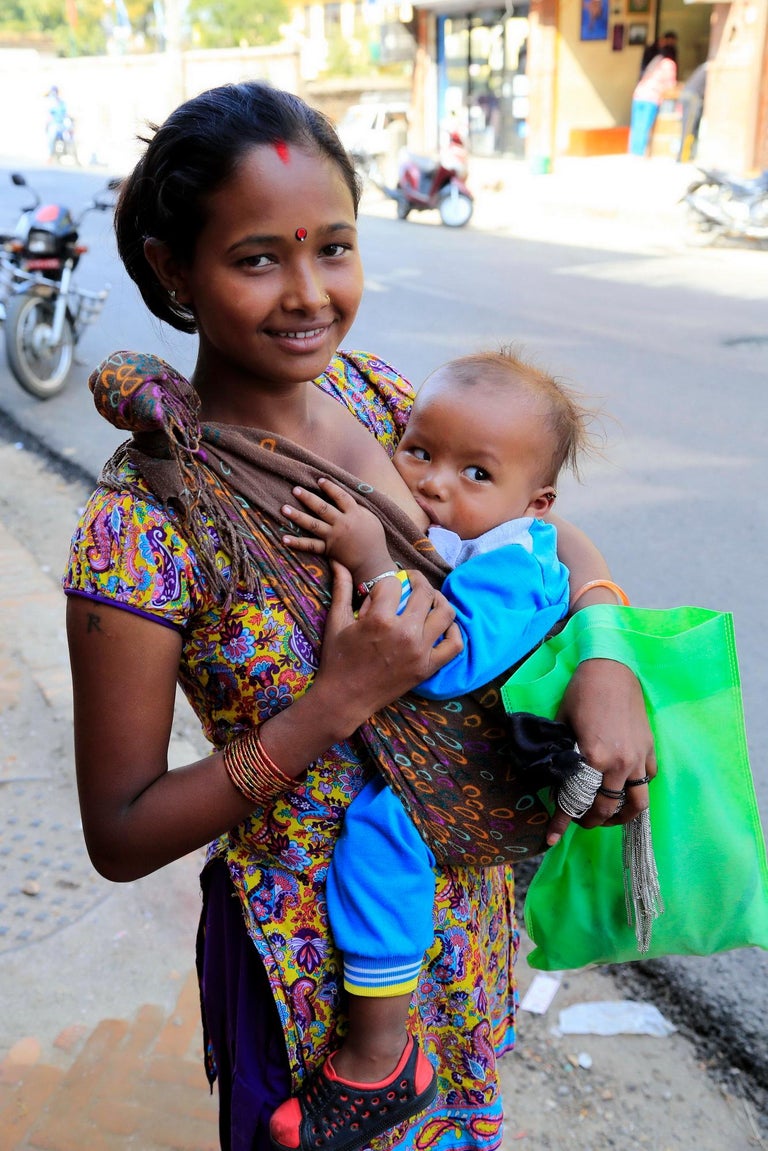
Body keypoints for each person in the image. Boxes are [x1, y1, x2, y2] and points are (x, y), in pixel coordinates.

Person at [63, 81, 655, 1151]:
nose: (309, 295)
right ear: (172, 269)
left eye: (333, 248)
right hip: (315, 982)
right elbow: (121, 829)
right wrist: (334, 704)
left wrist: (606, 653)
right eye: (257, 259)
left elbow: (534, 533)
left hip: (460, 917)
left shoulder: (381, 399)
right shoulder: (139, 528)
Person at [270, 348, 616, 1149]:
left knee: (382, 839)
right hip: (463, 752)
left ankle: (380, 1053)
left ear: (534, 503)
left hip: (476, 769)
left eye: (475, 473)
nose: (432, 483)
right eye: (419, 451)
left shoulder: (517, 567)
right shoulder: (476, 535)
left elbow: (444, 660)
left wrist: (371, 558)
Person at [629, 41, 678, 158]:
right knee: (645, 126)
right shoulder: (669, 64)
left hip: (639, 94)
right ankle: (640, 154)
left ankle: (633, 152)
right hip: (651, 97)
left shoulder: (656, 60)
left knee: (636, 125)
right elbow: (670, 86)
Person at [678, 62, 708, 163]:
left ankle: (684, 155)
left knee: (687, 126)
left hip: (687, 95)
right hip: (693, 98)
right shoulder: (709, 69)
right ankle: (684, 157)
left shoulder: (703, 68)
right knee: (689, 127)